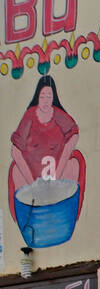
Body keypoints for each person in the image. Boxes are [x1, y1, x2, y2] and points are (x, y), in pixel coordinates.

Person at [8, 75, 85, 221]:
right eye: (42, 96)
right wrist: (32, 185)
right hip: (33, 173)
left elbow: (74, 135)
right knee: (15, 171)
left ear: (53, 97)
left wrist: (60, 167)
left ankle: (66, 214)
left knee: (75, 163)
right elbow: (15, 150)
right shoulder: (30, 115)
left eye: (49, 96)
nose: (45, 100)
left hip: (57, 172)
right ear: (37, 97)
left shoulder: (58, 114)